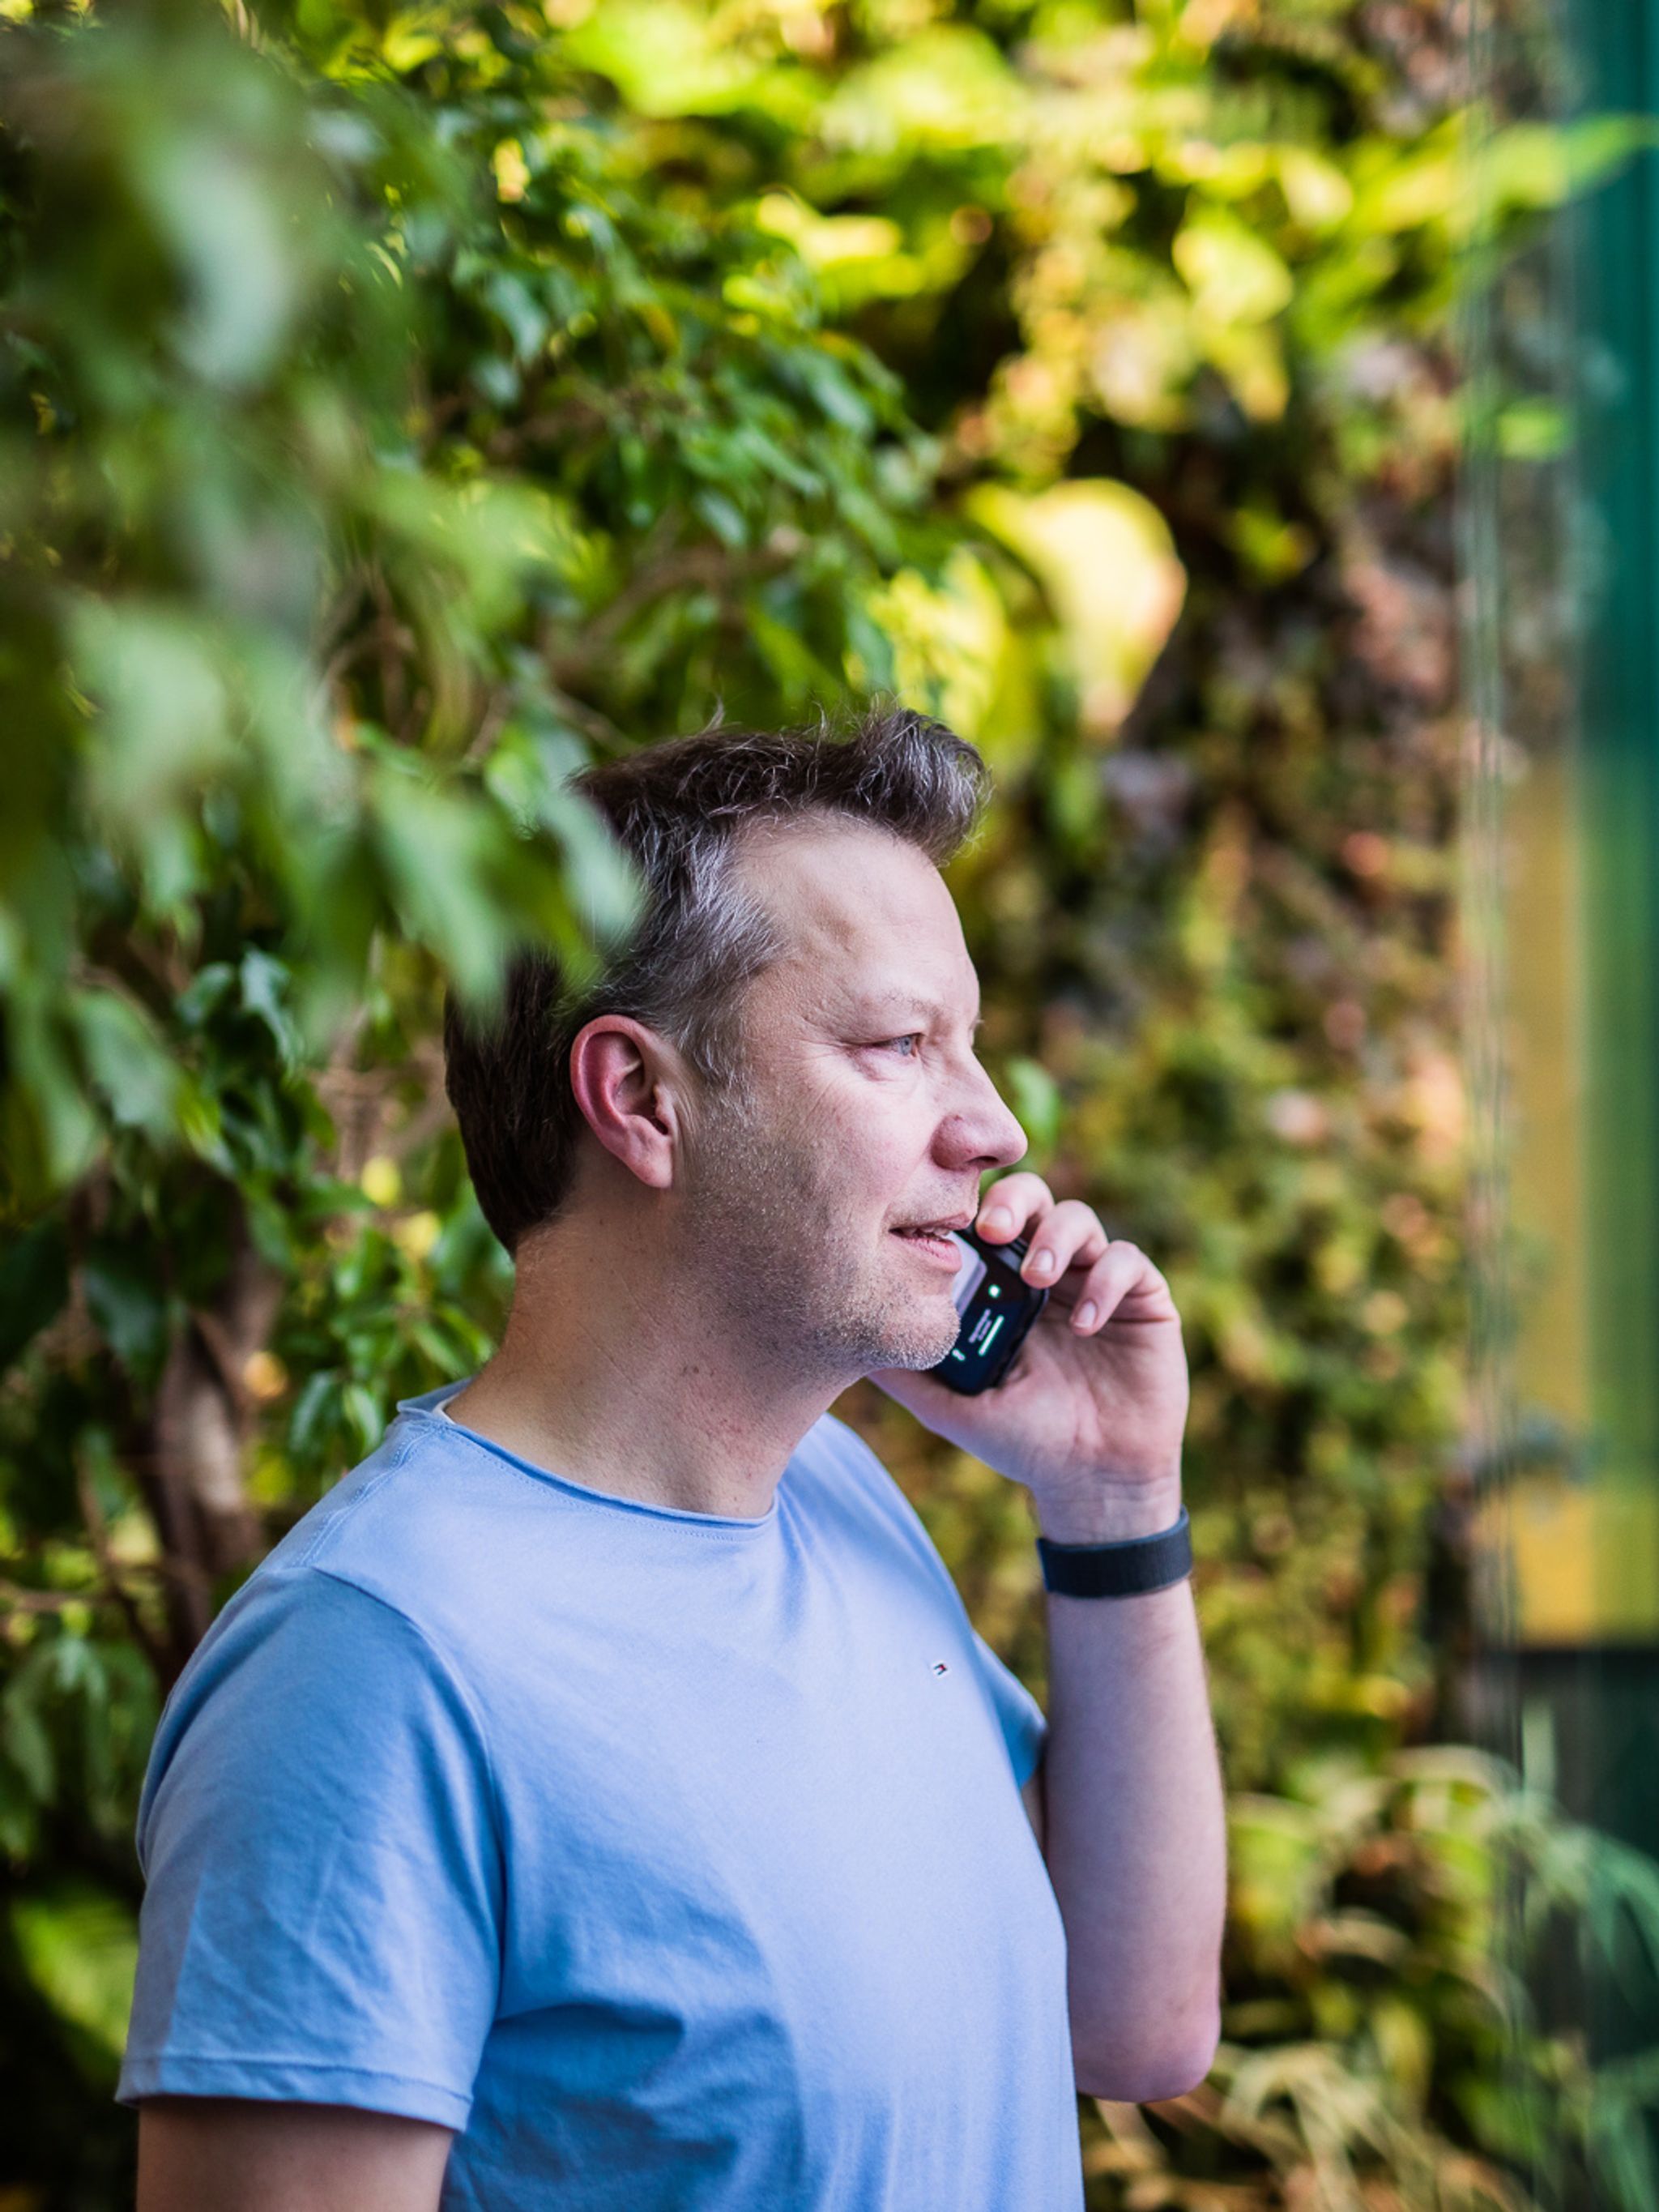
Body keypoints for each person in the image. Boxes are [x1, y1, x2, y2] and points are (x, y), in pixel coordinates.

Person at [120, 707, 1227, 2211]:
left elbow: (1138, 2025)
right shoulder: (373, 1663)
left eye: (967, 1045)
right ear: (642, 1099)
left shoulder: (837, 1497)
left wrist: (1112, 1493)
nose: (995, 1126)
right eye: (901, 1045)